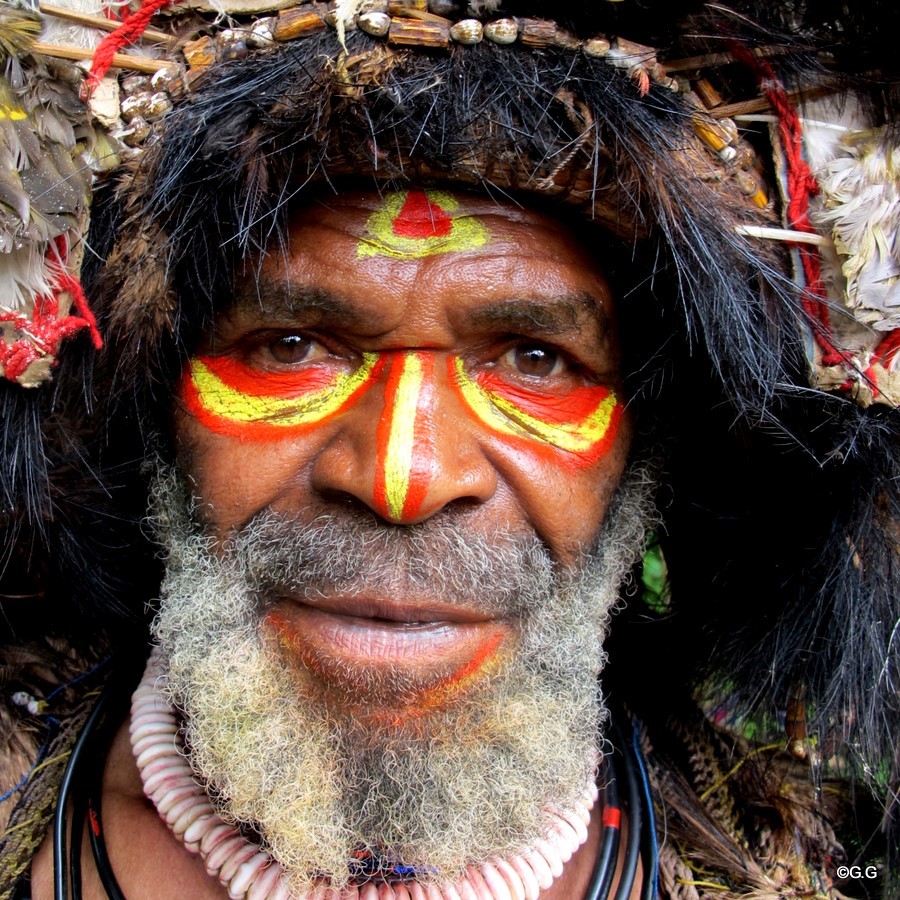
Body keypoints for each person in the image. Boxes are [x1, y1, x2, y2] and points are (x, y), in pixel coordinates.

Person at [0, 1, 896, 898]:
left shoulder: (824, 862)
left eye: (536, 361)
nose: (404, 479)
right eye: (291, 345)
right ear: (156, 421)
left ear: (644, 460)